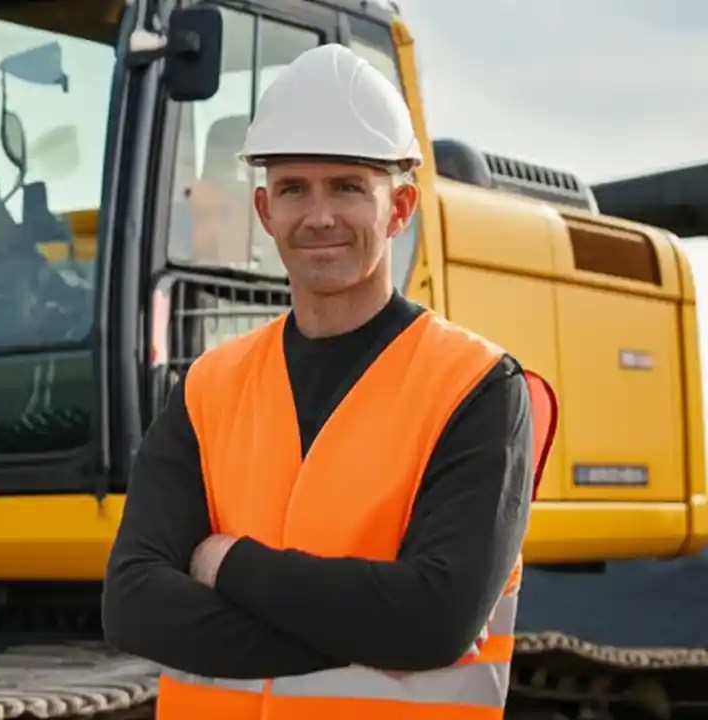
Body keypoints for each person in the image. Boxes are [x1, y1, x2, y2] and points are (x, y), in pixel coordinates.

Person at [100, 42, 559, 719]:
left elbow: (433, 619)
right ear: (265, 213)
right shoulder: (206, 388)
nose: (318, 216)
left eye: (347, 186)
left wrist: (229, 565)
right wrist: (363, 631)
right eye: (294, 189)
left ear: (399, 209)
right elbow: (134, 607)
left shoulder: (477, 387)